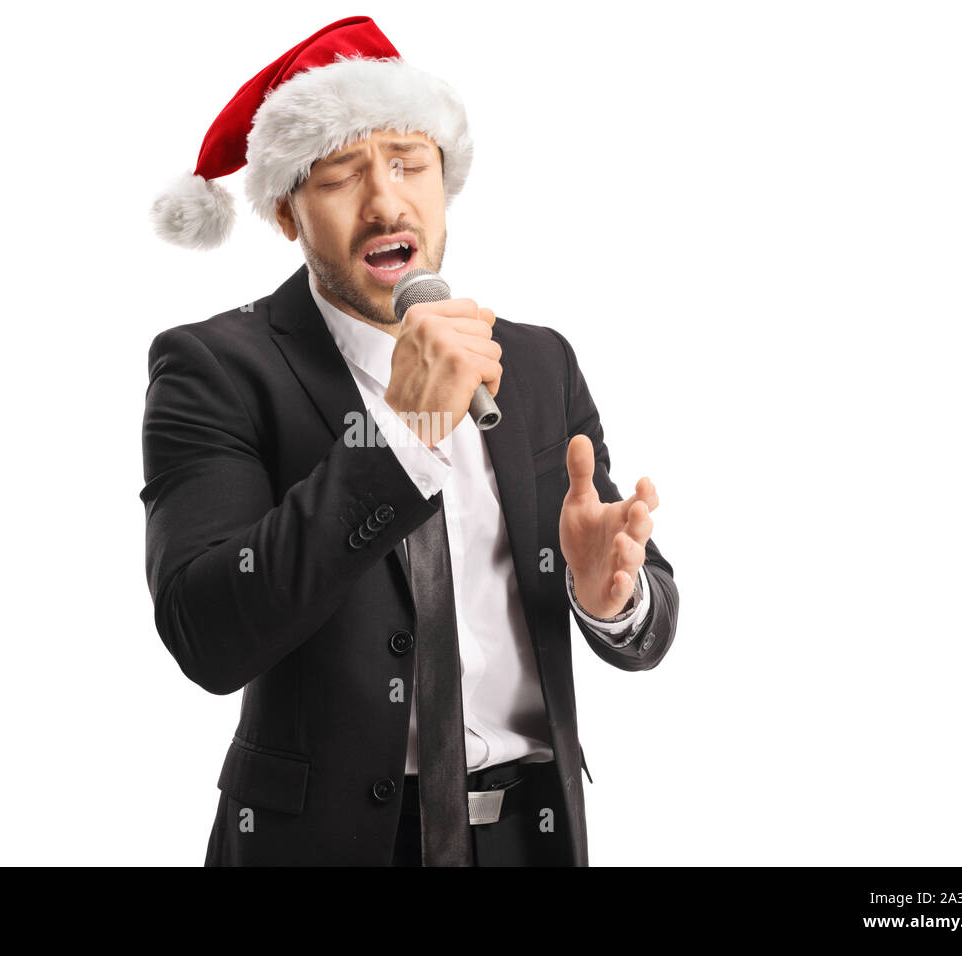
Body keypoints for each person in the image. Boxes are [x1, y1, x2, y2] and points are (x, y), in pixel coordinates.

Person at [140, 15, 679, 866]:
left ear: (444, 183)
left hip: (532, 839)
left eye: (408, 164)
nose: (386, 200)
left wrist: (608, 596)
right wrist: (403, 437)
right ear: (286, 212)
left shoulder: (537, 362)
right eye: (343, 175)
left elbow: (645, 618)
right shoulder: (214, 367)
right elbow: (207, 632)